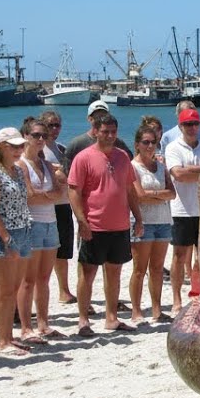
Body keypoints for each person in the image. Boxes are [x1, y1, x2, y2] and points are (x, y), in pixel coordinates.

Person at [68, 111, 143, 336]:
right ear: (96, 132)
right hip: (94, 225)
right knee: (87, 273)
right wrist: (82, 221)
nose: (110, 135)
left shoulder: (122, 157)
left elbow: (129, 189)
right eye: (105, 132)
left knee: (114, 273)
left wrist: (138, 218)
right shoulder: (83, 157)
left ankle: (111, 317)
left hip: (119, 225)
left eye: (113, 132)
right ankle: (83, 319)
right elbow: (74, 191)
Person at [0, 127, 35, 357]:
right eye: (13, 146)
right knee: (5, 290)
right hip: (4, 235)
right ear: (1, 147)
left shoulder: (17, 170)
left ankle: (9, 337)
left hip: (23, 231)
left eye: (21, 146)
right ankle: (2, 341)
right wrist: (6, 238)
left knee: (13, 289)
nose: (19, 150)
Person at [17, 117, 68, 342]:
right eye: (36, 135)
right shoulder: (21, 164)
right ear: (25, 136)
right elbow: (29, 196)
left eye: (43, 136)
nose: (40, 139)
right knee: (28, 279)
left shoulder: (46, 164)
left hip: (50, 222)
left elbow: (59, 193)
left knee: (44, 278)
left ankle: (43, 323)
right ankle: (26, 327)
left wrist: (44, 195)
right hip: (31, 223)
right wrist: (48, 195)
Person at [164, 107, 200, 315]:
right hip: (181, 210)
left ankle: (199, 295)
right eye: (187, 124)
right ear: (180, 126)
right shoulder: (173, 148)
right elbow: (178, 175)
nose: (192, 128)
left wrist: (191, 170)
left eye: (195, 124)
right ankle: (176, 298)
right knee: (178, 256)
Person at [128, 123, 175, 325]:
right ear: (137, 144)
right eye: (145, 142)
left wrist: (152, 195)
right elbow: (139, 195)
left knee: (157, 269)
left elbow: (172, 194)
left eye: (153, 142)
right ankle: (136, 310)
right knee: (139, 269)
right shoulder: (133, 167)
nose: (150, 146)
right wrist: (159, 195)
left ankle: (157, 309)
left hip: (162, 220)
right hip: (142, 221)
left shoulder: (161, 167)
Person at [39, 109, 77, 304]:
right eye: (50, 125)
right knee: (44, 251)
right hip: (46, 206)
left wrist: (58, 171)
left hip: (64, 204)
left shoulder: (61, 149)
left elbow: (68, 173)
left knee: (63, 251)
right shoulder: (39, 150)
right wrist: (57, 171)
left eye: (57, 125)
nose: (54, 129)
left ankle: (64, 290)